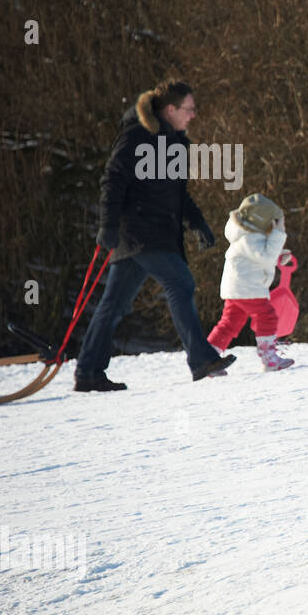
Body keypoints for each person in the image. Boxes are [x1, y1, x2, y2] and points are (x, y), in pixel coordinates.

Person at [75, 81, 235, 390]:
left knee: (114, 304)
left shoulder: (174, 142)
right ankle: (201, 359)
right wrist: (107, 226)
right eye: (189, 109)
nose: (193, 116)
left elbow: (177, 194)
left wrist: (197, 221)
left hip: (155, 233)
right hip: (139, 230)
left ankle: (88, 372)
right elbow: (113, 179)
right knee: (181, 282)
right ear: (170, 109)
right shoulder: (137, 136)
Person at [207, 194, 295, 371]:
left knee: (229, 323)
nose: (277, 226)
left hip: (237, 288)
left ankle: (207, 357)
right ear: (263, 222)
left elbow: (261, 256)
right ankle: (269, 358)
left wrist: (277, 255)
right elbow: (265, 256)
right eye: (275, 222)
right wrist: (279, 234)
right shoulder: (249, 238)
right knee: (267, 316)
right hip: (248, 289)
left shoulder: (246, 236)